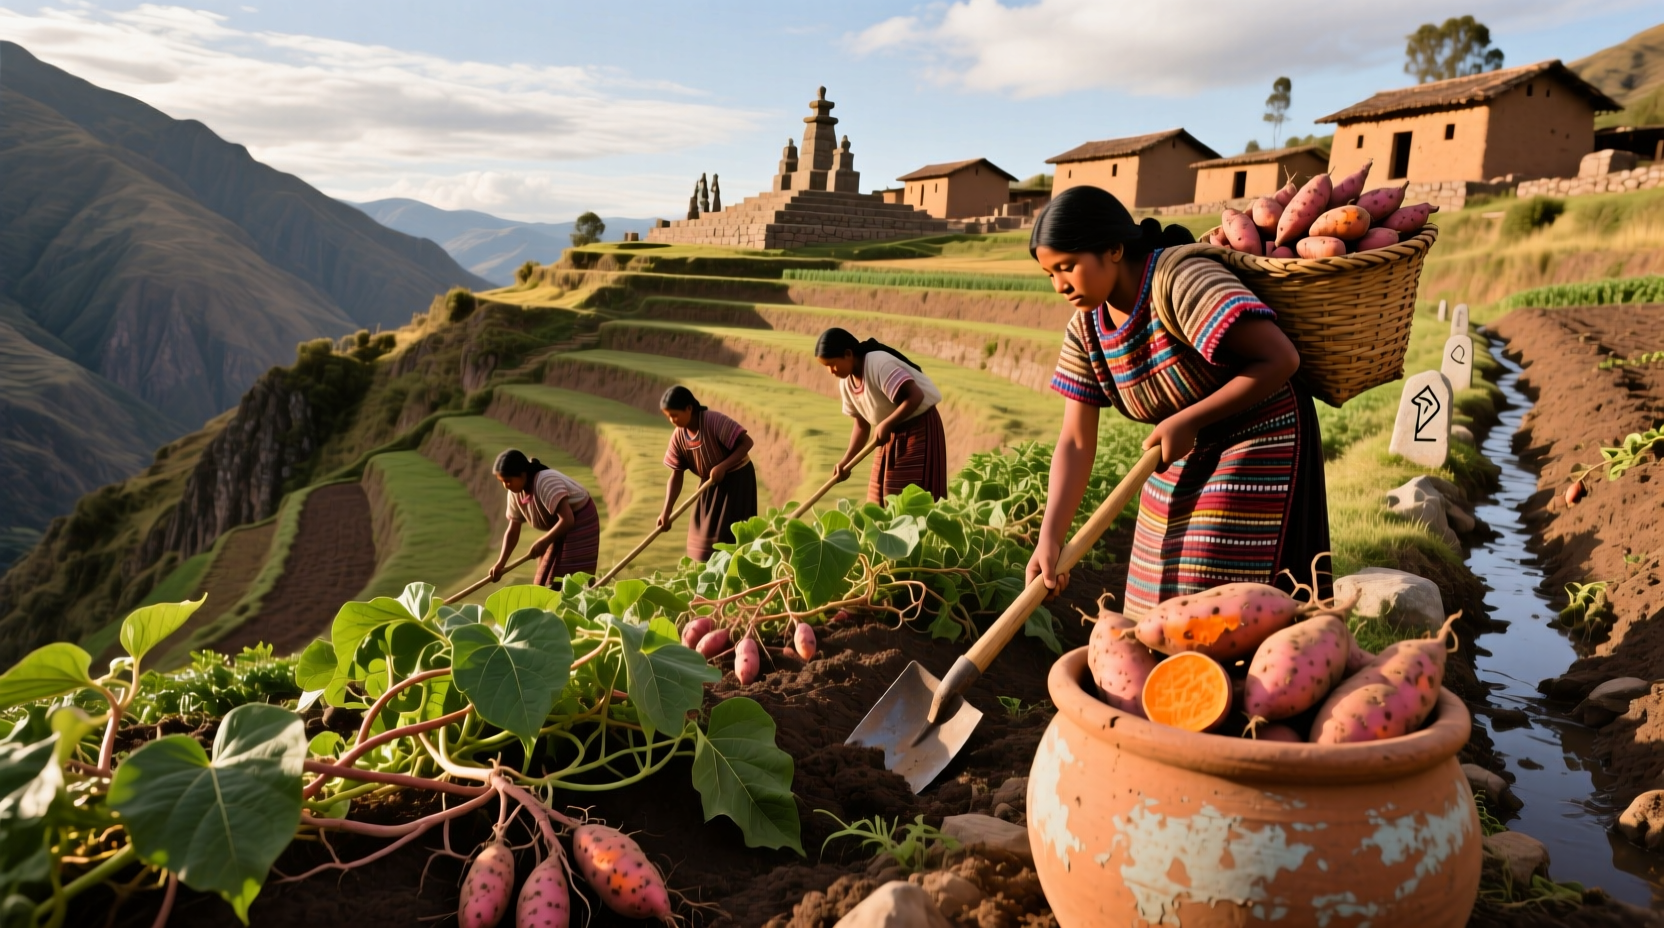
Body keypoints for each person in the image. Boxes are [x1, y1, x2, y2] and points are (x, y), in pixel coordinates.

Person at [1026, 185, 1330, 616]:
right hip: (1181, 450)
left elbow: (1280, 359)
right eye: (1050, 274)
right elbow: (1075, 440)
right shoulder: (1086, 329)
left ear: (1113, 249)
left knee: (1206, 590)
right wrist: (1050, 537)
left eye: (1068, 267)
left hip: (1258, 435)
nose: (1060, 285)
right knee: (1152, 594)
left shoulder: (1178, 280)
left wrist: (1190, 421)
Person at [815, 327, 947, 503]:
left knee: (903, 500)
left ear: (848, 354)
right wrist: (846, 462)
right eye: (826, 367)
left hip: (919, 428)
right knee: (878, 498)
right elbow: (861, 426)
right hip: (890, 435)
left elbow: (916, 396)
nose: (831, 371)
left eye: (832, 364)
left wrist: (887, 423)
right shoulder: (846, 384)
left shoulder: (879, 364)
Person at [657, 385, 758, 561]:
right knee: (702, 543)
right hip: (709, 484)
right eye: (668, 417)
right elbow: (676, 474)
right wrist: (666, 512)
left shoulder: (713, 421)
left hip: (737, 481)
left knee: (726, 540)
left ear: (689, 409)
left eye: (674, 415)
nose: (672, 420)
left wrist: (723, 466)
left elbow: (747, 442)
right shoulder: (679, 437)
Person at [489, 449, 601, 587]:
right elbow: (513, 531)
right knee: (542, 580)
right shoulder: (514, 493)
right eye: (502, 482)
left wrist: (544, 541)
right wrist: (501, 563)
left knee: (564, 581)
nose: (506, 486)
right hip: (561, 525)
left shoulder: (546, 481)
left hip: (580, 519)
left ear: (522, 474)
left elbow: (568, 519)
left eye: (508, 481)